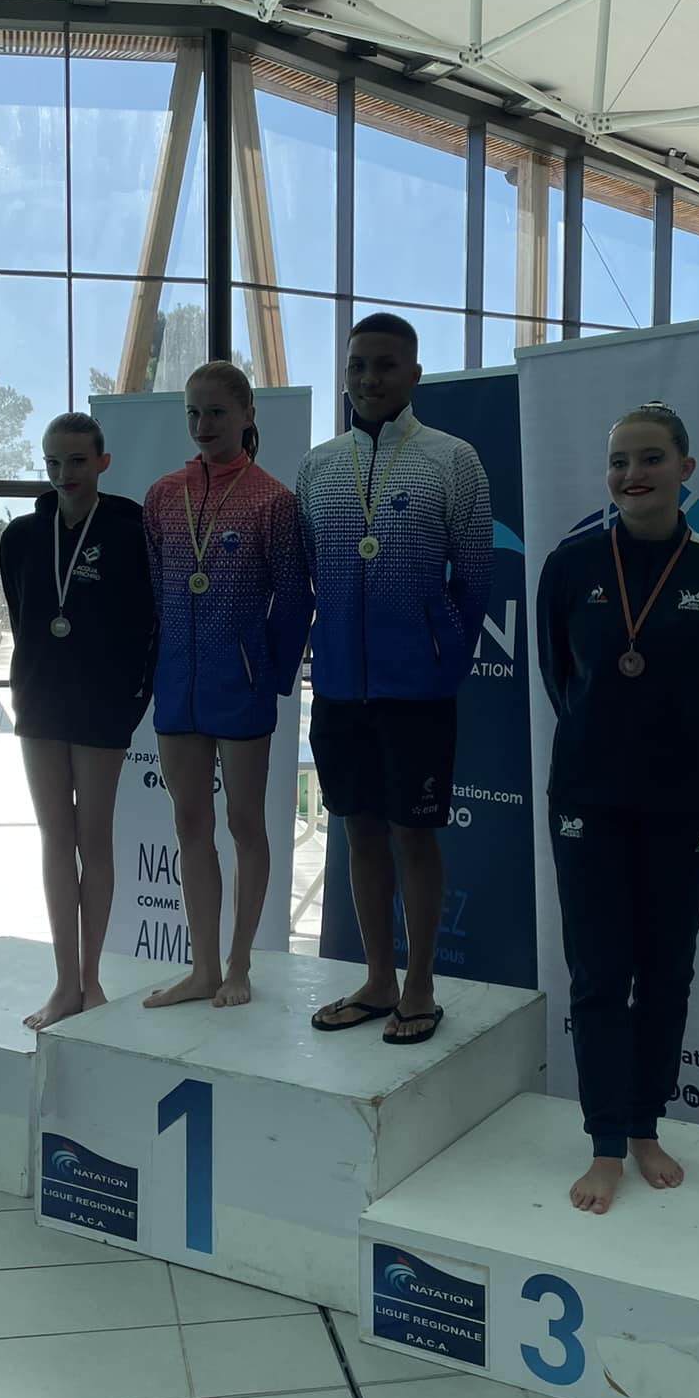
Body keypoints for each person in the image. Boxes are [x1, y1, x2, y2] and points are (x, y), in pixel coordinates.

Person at [536, 402, 699, 1214]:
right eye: (619, 461)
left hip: (683, 805)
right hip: (588, 799)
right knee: (599, 973)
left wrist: (681, 760)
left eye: (650, 458)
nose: (632, 474)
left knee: (666, 971)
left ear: (685, 470)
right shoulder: (567, 567)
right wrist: (611, 752)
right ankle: (603, 1141)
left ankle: (645, 1126)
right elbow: (561, 678)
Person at [297, 313, 492, 1044]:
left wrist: (441, 656)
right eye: (357, 367)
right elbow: (311, 571)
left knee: (415, 838)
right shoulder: (318, 467)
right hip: (343, 688)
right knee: (359, 835)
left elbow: (474, 579)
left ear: (413, 374)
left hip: (418, 691)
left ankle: (420, 987)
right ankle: (377, 981)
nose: (369, 380)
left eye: (384, 366)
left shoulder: (452, 460)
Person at [139, 363, 312, 1009]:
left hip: (241, 686)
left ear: (247, 416)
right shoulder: (163, 495)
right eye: (193, 413)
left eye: (215, 412)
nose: (203, 425)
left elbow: (295, 600)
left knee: (245, 824)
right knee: (189, 822)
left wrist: (264, 674)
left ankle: (240, 964)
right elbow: (158, 592)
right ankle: (203, 967)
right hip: (178, 685)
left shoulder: (273, 501)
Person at [0, 411, 157, 1032]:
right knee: (54, 839)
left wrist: (132, 697)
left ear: (102, 462)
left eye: (78, 461)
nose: (66, 474)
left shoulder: (129, 532)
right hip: (40, 703)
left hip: (102, 705)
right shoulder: (20, 538)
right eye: (54, 463)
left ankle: (92, 979)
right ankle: (64, 981)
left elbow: (147, 621)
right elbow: (25, 617)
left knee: (95, 838)